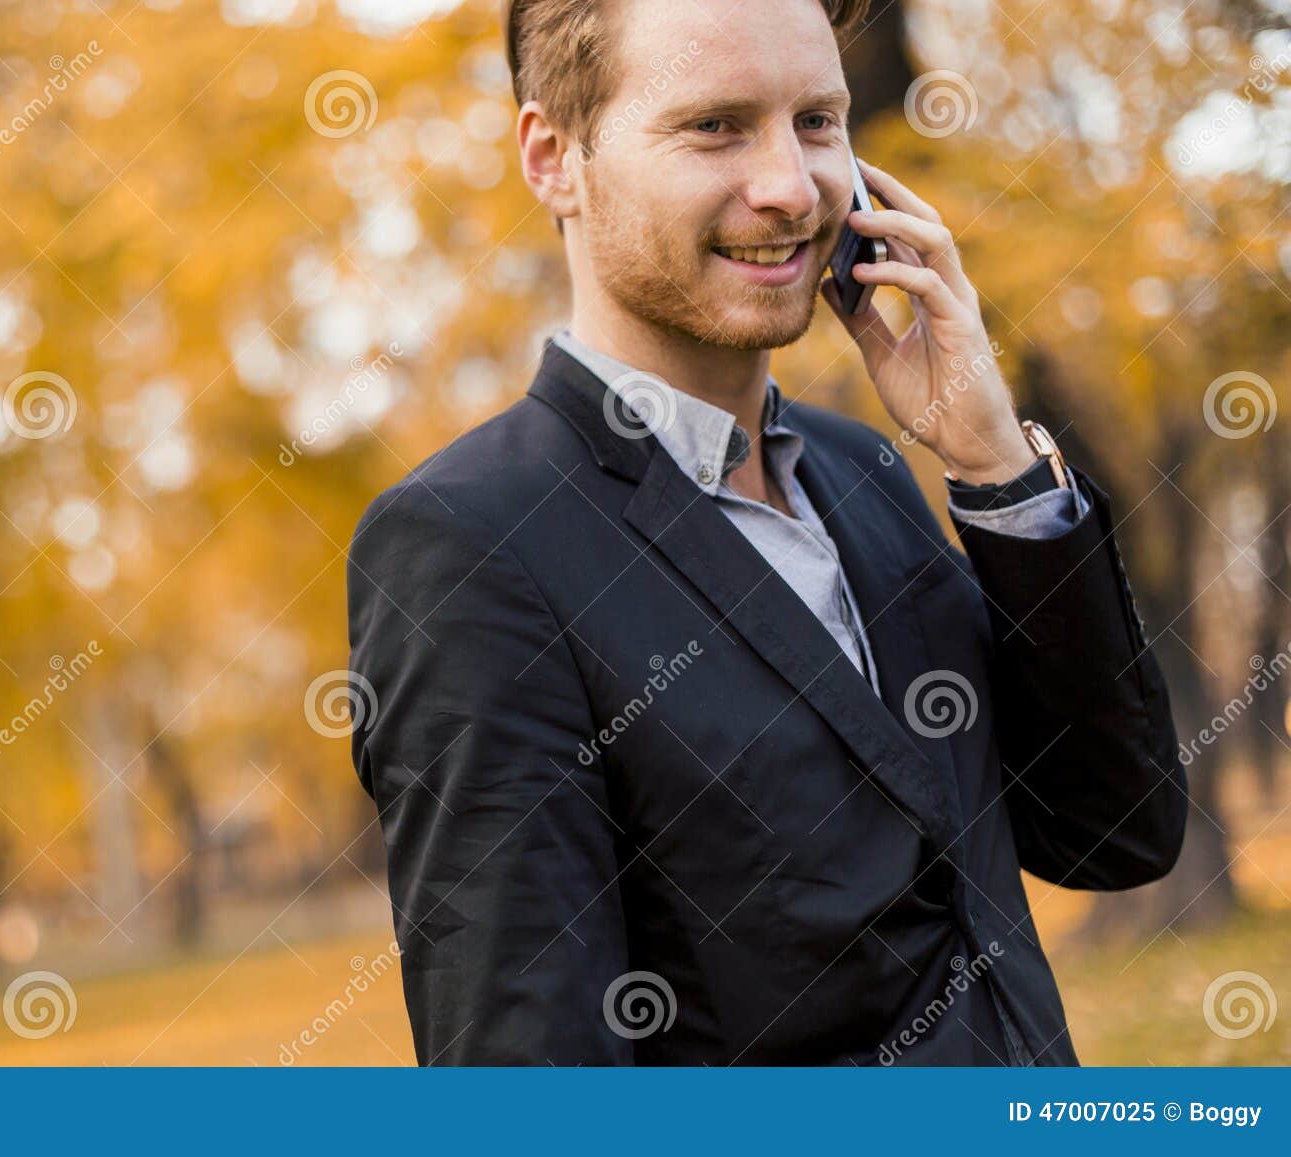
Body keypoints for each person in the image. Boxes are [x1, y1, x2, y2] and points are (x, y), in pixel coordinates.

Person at [346, 0, 1186, 1065]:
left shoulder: (866, 468)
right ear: (555, 159)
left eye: (817, 122)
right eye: (715, 126)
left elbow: (1115, 831)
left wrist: (993, 465)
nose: (791, 186)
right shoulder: (468, 546)